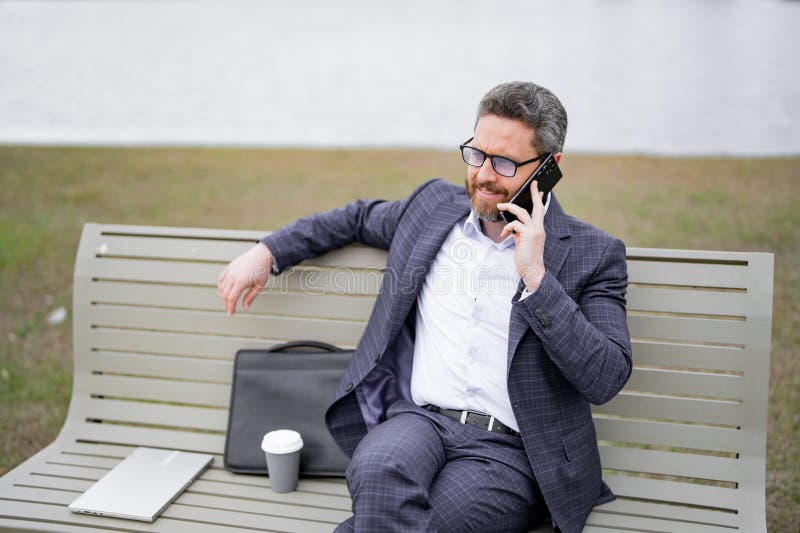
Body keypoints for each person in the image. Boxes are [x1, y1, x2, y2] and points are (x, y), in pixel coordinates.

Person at [217, 81, 632, 532]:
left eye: (505, 162)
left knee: (424, 523)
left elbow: (606, 376)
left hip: (510, 452)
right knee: (374, 472)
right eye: (476, 153)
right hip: (419, 420)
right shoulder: (432, 208)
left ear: (549, 168)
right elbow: (355, 218)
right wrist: (268, 252)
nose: (484, 174)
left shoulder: (593, 253)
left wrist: (537, 278)